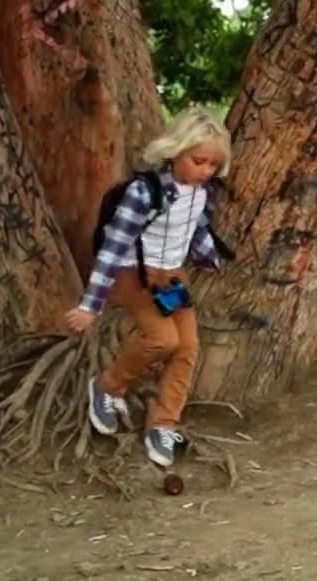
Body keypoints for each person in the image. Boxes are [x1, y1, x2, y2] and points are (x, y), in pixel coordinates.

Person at [69, 107, 233, 469]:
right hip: (135, 274)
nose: (204, 171)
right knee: (163, 340)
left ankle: (163, 424)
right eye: (198, 161)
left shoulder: (203, 193)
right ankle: (108, 386)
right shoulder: (145, 192)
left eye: (212, 165)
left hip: (173, 277)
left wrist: (209, 255)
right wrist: (90, 305)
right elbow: (112, 248)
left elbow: (195, 229)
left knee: (188, 348)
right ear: (176, 151)